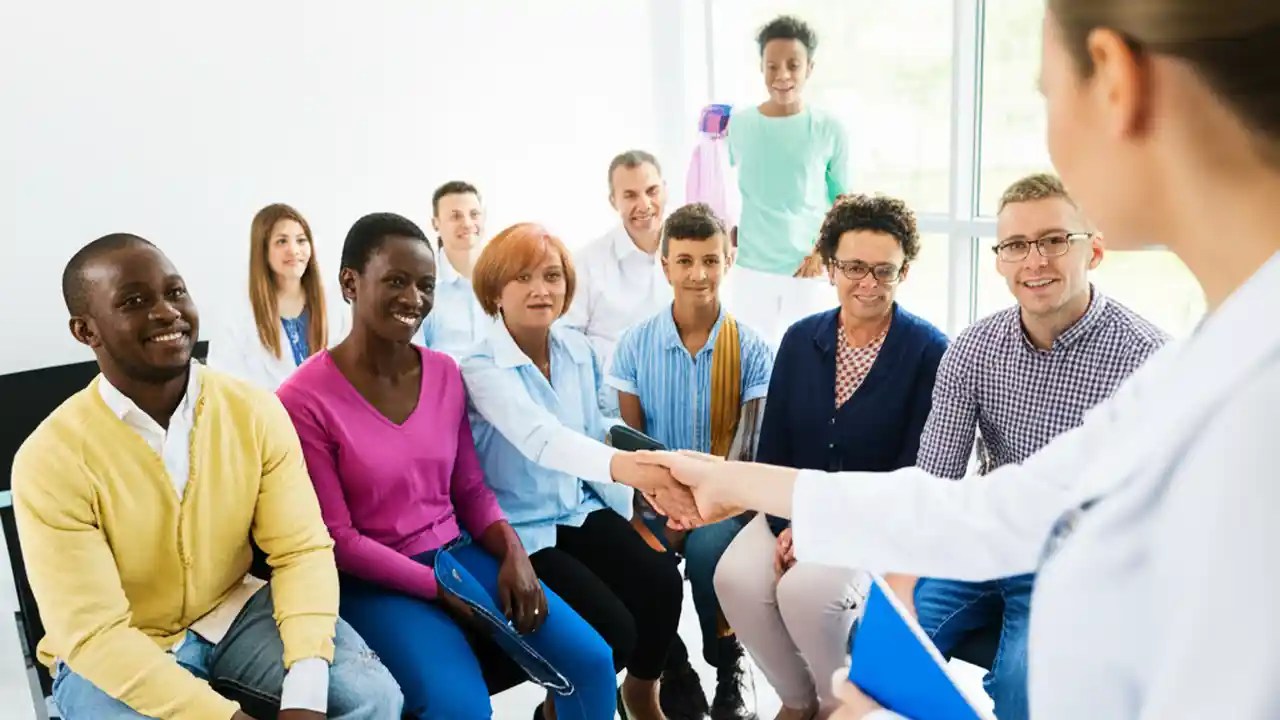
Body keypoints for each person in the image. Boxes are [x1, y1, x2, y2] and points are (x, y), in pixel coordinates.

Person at [642, 1, 1280, 717]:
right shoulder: (1207, 364)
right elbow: (986, 508)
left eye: (1044, 93)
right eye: (1014, 245)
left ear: (1114, 83)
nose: (1034, 259)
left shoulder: (1214, 389)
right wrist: (736, 481)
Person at [12, 233, 402, 720]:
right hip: (119, 650)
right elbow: (94, 634)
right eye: (134, 301)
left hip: (234, 611)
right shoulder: (49, 458)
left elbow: (301, 550)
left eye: (175, 293)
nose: (166, 312)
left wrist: (305, 691)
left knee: (373, 698)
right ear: (85, 330)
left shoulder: (254, 410)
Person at [277, 212, 617, 720]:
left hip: (456, 553)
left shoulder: (443, 372)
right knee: (461, 709)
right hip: (374, 581)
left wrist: (512, 552)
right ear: (350, 282)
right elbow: (340, 540)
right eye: (396, 281)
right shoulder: (303, 398)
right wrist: (435, 588)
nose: (413, 298)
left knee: (593, 664)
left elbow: (471, 490)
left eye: (425, 285)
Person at [902, 173, 1167, 720]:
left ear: (1093, 250)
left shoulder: (1148, 358)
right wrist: (900, 579)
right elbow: (935, 480)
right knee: (888, 646)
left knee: (1027, 683)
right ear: (999, 261)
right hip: (985, 540)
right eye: (1016, 246)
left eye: (1053, 240)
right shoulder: (975, 346)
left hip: (1074, 562)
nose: (1035, 260)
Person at [712, 194, 947, 719]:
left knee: (805, 590)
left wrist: (825, 526)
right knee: (735, 577)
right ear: (830, 266)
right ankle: (798, 701)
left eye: (884, 270)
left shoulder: (929, 350)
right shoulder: (799, 340)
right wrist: (789, 522)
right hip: (791, 507)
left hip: (873, 521)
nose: (868, 283)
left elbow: (913, 471)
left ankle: (838, 702)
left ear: (904, 271)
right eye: (854, 267)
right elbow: (774, 450)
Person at [460, 223, 695, 720]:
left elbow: (598, 426)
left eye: (551, 275)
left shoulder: (578, 350)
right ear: (495, 289)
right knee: (613, 632)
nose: (541, 289)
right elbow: (541, 438)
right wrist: (634, 471)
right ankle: (554, 712)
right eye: (522, 277)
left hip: (577, 506)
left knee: (661, 584)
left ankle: (641, 700)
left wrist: (653, 471)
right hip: (524, 528)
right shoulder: (479, 367)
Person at [607, 202, 775, 719]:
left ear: (729, 261)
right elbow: (628, 441)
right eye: (684, 260)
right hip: (653, 494)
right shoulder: (635, 345)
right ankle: (668, 665)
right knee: (634, 557)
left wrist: (699, 510)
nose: (698, 274)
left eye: (710, 259)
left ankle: (728, 663)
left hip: (723, 499)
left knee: (709, 558)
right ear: (665, 266)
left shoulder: (752, 349)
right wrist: (660, 502)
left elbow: (745, 453)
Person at [726, 15, 850, 348]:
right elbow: (716, 188)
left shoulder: (828, 129)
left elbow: (843, 202)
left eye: (792, 65)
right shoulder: (739, 126)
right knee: (752, 361)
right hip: (752, 268)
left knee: (810, 361)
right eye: (772, 66)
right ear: (761, 68)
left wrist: (820, 254)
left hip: (806, 270)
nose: (782, 75)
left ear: (809, 67)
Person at [560, 150, 674, 411]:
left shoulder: (689, 254)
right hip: (612, 404)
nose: (644, 204)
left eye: (652, 191)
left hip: (680, 394)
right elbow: (566, 339)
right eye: (630, 195)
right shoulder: (587, 262)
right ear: (614, 201)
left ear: (665, 190)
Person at [208, 203, 345, 389]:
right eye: (281, 241)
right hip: (264, 416)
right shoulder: (236, 312)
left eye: (301, 240)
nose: (294, 250)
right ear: (262, 251)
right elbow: (224, 385)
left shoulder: (335, 302)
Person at [417, 181, 494, 358]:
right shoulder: (421, 286)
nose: (467, 223)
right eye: (455, 216)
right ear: (436, 224)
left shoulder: (505, 281)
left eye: (474, 214)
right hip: (445, 384)